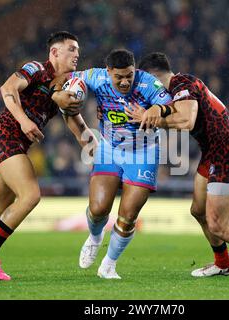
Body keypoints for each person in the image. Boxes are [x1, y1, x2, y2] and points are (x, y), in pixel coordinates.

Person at [0, 31, 96, 280]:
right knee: (30, 196)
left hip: (11, 146)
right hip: (3, 139)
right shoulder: (37, 69)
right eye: (71, 49)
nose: (77, 54)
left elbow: (79, 128)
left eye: (78, 50)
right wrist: (24, 120)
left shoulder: (68, 86)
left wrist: (99, 151)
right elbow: (7, 88)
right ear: (54, 52)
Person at [129, 52, 229, 279]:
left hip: (227, 154)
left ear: (151, 77)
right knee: (198, 210)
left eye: (143, 81)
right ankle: (223, 263)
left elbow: (186, 121)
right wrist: (151, 118)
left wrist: (149, 117)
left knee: (218, 225)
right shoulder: (178, 89)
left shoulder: (181, 83)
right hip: (213, 153)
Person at [66, 49, 172, 279]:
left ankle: (109, 264)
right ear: (109, 72)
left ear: (136, 71)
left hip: (144, 152)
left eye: (129, 76)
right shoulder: (96, 77)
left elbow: (170, 106)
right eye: (119, 77)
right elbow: (72, 81)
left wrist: (155, 110)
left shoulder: (148, 84)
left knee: (127, 217)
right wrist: (72, 92)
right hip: (109, 149)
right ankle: (95, 238)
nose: (125, 81)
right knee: (98, 209)